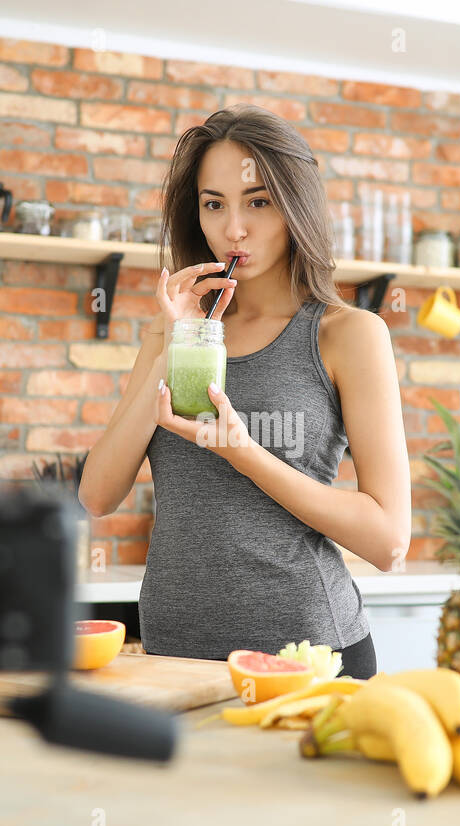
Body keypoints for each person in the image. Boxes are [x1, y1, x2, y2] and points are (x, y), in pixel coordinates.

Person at [78, 104, 410, 680]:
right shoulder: (171, 330)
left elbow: (388, 541)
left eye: (258, 202)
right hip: (173, 653)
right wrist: (172, 342)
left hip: (307, 656)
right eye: (214, 204)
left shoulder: (348, 334)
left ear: (294, 206)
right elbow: (98, 494)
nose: (234, 228)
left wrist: (245, 453)